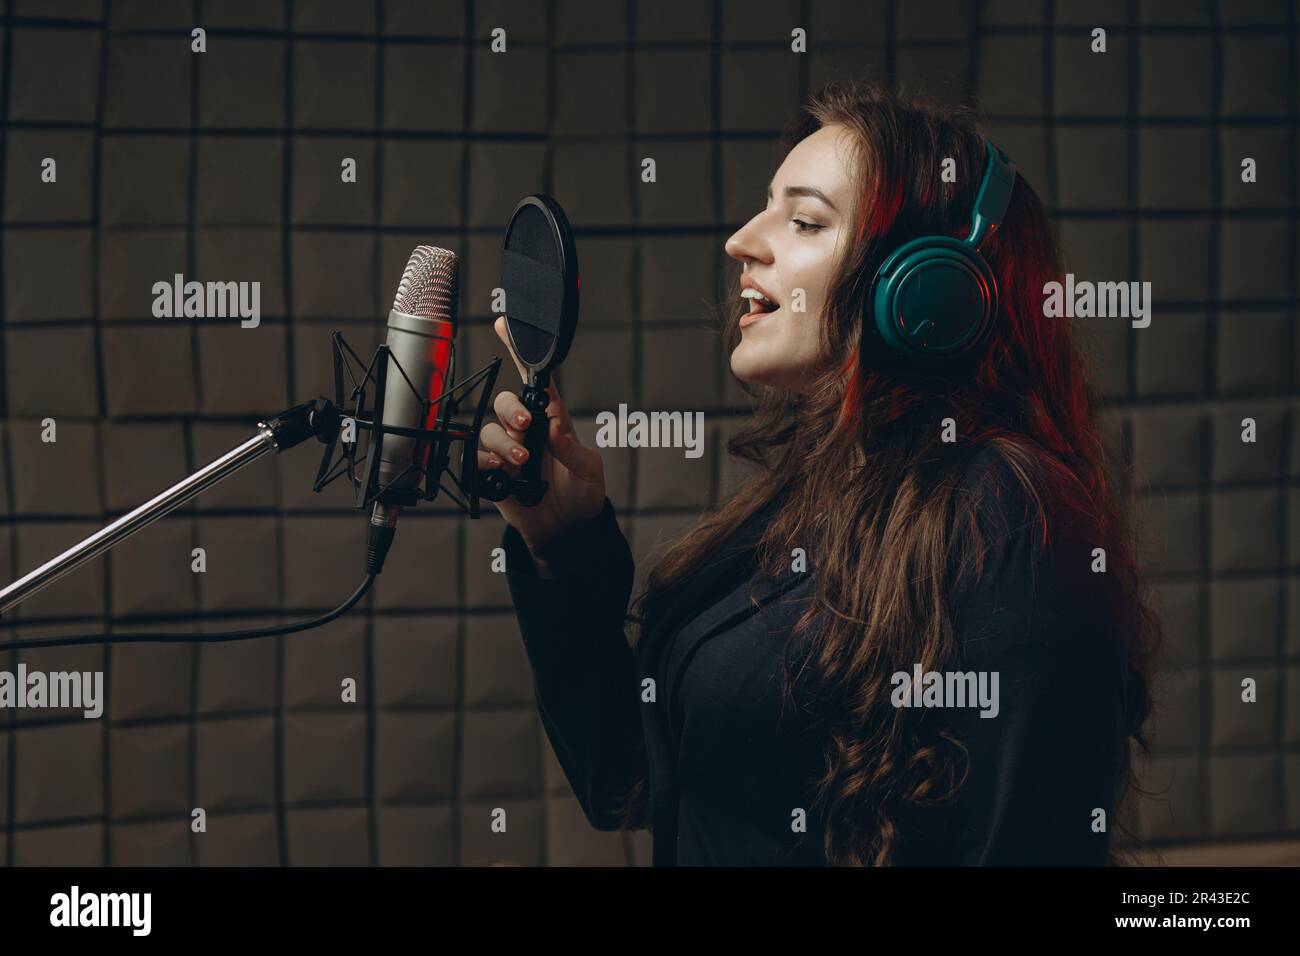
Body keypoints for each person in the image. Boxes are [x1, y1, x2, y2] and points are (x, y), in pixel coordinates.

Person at [478, 80, 1160, 867]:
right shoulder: (800, 506)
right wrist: (567, 548)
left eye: (803, 220)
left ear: (926, 286)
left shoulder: (1013, 519)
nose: (741, 240)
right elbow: (629, 781)